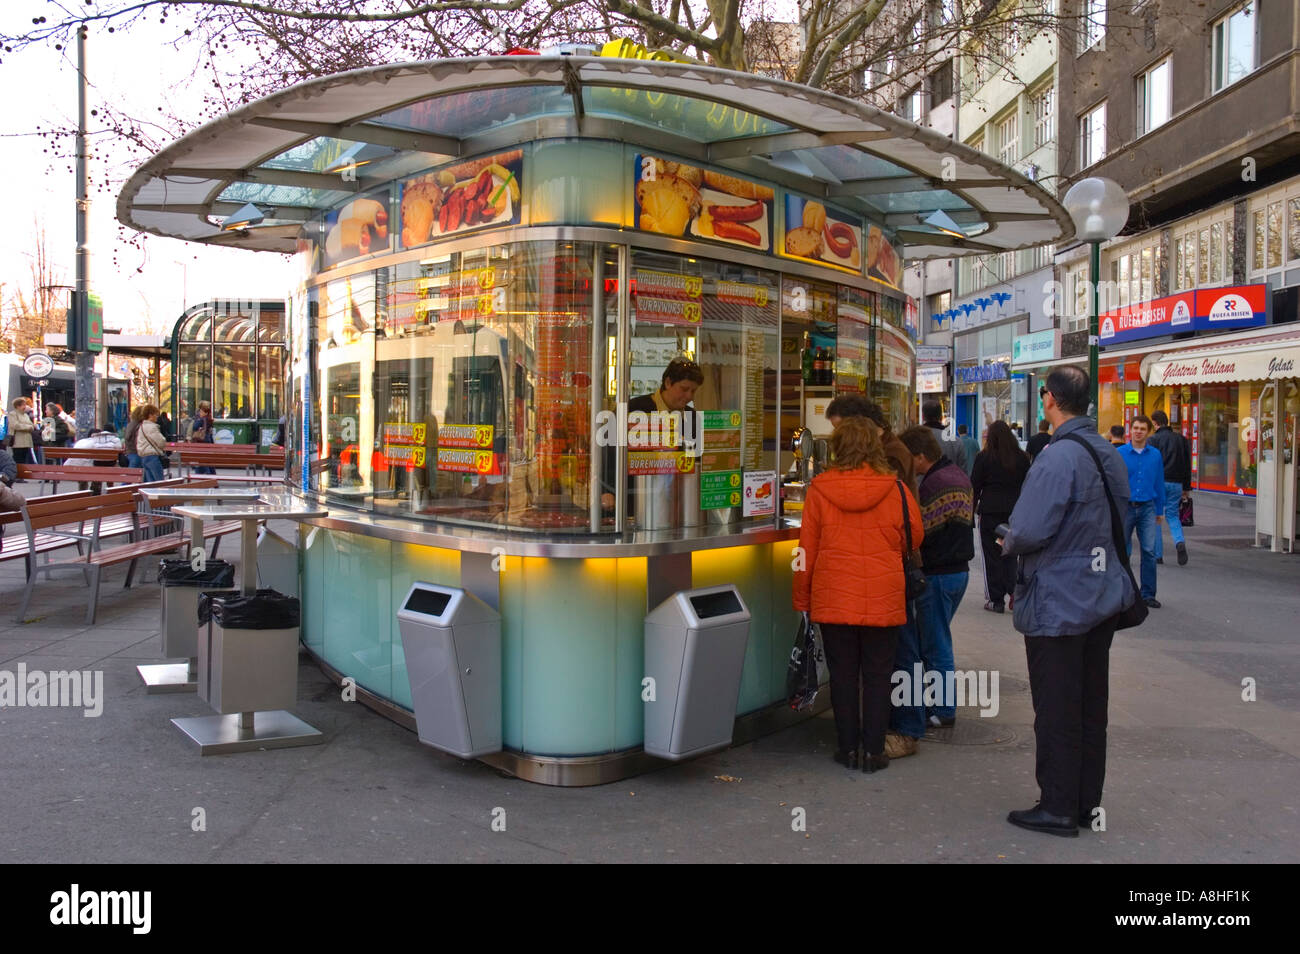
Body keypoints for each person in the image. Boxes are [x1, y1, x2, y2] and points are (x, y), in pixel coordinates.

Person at [1000, 366, 1134, 837]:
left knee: (1056, 707)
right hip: (1101, 598)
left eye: (1042, 395)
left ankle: (1057, 806)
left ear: (1050, 399)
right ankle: (1084, 804)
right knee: (1089, 707)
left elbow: (1029, 528)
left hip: (1060, 599)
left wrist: (1009, 539)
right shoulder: (1107, 452)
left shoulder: (1058, 458)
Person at [793, 417, 922, 773]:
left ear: (837, 447)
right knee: (879, 676)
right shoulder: (895, 488)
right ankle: (874, 751)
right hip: (884, 596)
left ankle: (847, 748)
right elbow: (915, 536)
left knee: (843, 675)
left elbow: (806, 550)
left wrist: (802, 599)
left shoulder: (819, 489)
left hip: (834, 598)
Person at [885, 424, 974, 755]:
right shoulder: (958, 475)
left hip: (938, 573)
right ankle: (938, 704)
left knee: (935, 645)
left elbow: (920, 531)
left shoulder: (934, 484)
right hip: (958, 572)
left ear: (920, 456)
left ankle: (942, 709)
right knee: (938, 641)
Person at [602, 357, 704, 510]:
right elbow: (607, 454)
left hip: (676, 504)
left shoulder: (692, 417)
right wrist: (607, 491)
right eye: (684, 389)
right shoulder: (633, 409)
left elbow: (696, 460)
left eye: (693, 391)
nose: (689, 396)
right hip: (632, 501)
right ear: (668, 383)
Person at [971, 420, 1030, 613]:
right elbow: (1028, 485)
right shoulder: (1022, 458)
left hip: (990, 513)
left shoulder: (984, 457)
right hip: (1014, 513)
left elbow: (975, 486)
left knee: (991, 555)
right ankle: (1014, 592)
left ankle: (996, 600)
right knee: (1010, 552)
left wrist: (969, 513)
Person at [1118, 414, 1165, 609]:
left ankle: (1147, 594)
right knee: (1122, 551)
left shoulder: (1155, 455)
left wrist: (1160, 509)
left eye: (1142, 429)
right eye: (1135, 428)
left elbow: (1159, 482)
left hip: (1147, 506)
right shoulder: (1120, 453)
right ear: (1130, 430)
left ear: (1148, 432)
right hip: (1126, 507)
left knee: (1149, 551)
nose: (1138, 432)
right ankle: (1123, 593)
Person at [825, 394, 915, 489]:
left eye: (842, 429)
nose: (839, 435)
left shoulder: (893, 454)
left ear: (861, 423)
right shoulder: (864, 448)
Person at [1148, 409, 1191, 567]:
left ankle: (1158, 554)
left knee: (1157, 516)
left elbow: (1151, 463)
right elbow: (1187, 465)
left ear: (1155, 423)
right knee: (1173, 515)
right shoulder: (1181, 439)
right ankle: (1179, 541)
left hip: (1159, 482)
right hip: (1177, 483)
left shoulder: (1154, 440)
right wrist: (1186, 487)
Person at [921, 401, 966, 472]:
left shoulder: (914, 441)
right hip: (951, 482)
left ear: (923, 417)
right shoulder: (956, 442)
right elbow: (963, 473)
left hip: (920, 483)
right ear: (941, 417)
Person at [137, 405, 169, 483]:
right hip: (152, 457)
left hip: (144, 457)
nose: (157, 416)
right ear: (150, 415)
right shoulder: (152, 427)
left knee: (150, 483)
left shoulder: (141, 427)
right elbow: (161, 441)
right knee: (159, 482)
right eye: (156, 414)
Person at [6, 398, 36, 465]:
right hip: (17, 442)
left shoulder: (25, 415)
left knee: (25, 460)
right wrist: (28, 427)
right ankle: (17, 473)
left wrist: (30, 426)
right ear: (17, 406)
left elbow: (32, 425)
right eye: (23, 405)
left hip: (27, 442)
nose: (25, 406)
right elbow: (15, 425)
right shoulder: (13, 414)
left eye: (25, 405)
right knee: (18, 459)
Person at [190, 400, 216, 475]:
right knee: (208, 459)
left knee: (202, 459)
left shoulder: (201, 418)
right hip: (208, 440)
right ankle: (211, 474)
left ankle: (206, 474)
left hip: (202, 440)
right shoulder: (209, 418)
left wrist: (199, 419)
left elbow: (195, 427)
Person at [123, 406, 145, 470]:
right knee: (134, 472)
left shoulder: (131, 424)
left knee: (133, 473)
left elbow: (127, 437)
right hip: (135, 451)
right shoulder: (138, 425)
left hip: (131, 451)